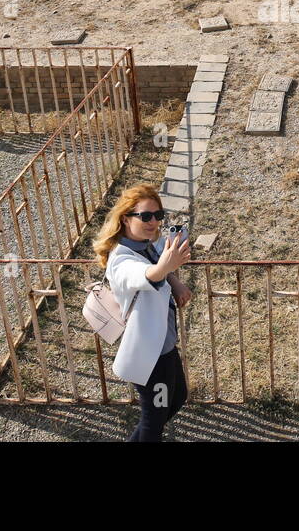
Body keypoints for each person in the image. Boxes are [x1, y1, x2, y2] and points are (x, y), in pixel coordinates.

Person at [95, 184, 191, 442]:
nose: (153, 222)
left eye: (158, 215)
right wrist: (165, 268)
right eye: (145, 216)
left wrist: (174, 279)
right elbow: (144, 274)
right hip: (152, 358)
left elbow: (158, 267)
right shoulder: (121, 259)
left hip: (164, 346)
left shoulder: (144, 245)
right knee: (154, 422)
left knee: (177, 397)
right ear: (126, 218)